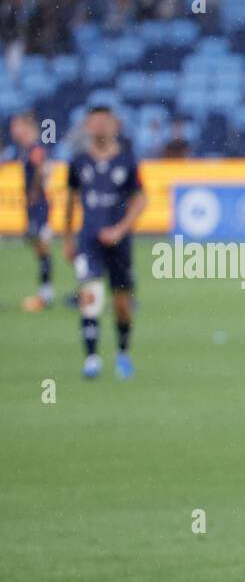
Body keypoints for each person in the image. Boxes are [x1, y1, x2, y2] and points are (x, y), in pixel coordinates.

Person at [63, 106, 145, 380]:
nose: (99, 127)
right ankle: (92, 358)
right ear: (86, 126)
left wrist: (121, 229)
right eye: (94, 122)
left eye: (104, 122)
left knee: (122, 303)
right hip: (89, 240)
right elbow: (71, 201)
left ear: (114, 125)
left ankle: (122, 353)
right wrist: (67, 238)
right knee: (91, 296)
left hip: (119, 243)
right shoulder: (78, 162)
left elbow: (140, 199)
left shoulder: (127, 161)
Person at [10, 112, 55, 310]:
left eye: (16, 126)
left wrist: (35, 193)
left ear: (26, 127)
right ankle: (45, 292)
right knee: (39, 247)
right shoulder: (27, 149)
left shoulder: (35, 148)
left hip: (39, 206)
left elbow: (42, 168)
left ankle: (45, 295)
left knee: (42, 246)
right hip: (35, 205)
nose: (13, 131)